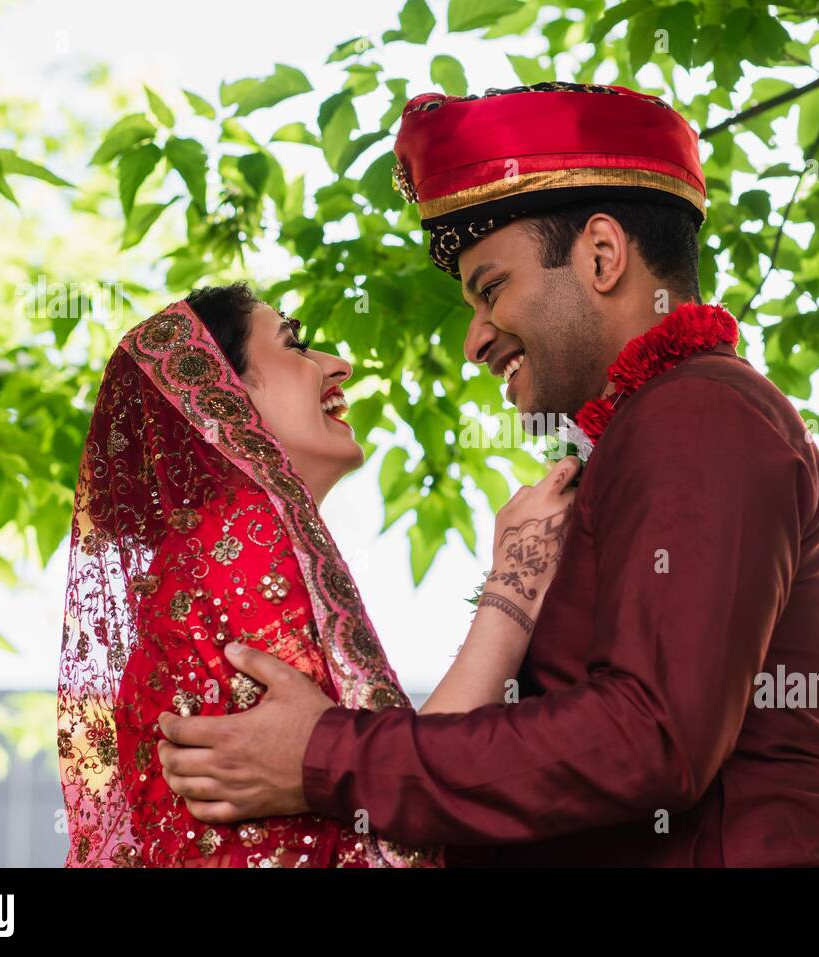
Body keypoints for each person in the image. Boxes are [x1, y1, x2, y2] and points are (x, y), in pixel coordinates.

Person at [158, 82, 819, 866]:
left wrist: (326, 755)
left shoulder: (698, 409)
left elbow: (649, 737)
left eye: (491, 288)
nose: (475, 340)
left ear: (601, 256)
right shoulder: (652, 428)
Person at [57, 281, 578, 867]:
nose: (339, 365)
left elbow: (372, 770)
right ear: (221, 401)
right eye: (296, 347)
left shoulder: (199, 565)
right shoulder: (242, 545)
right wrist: (516, 580)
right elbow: (404, 799)